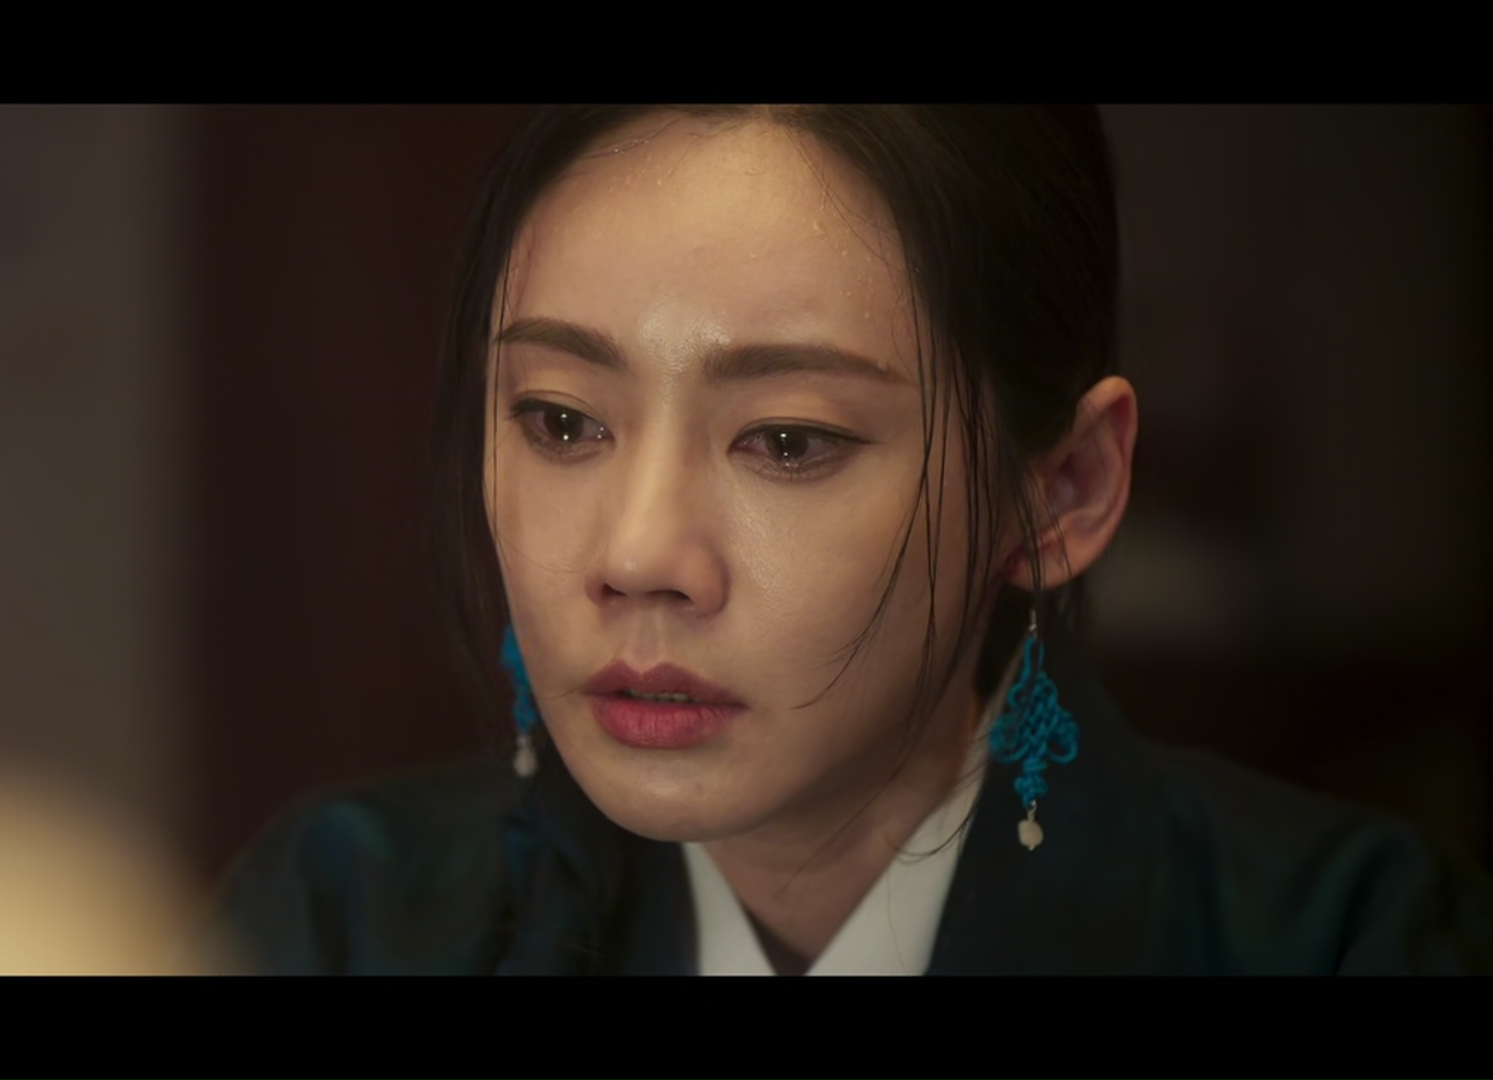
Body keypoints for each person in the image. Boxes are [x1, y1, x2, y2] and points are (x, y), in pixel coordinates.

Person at [210, 106, 1493, 974]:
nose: (638, 553)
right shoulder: (341, 920)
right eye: (560, 420)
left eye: (787, 440)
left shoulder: (1354, 937)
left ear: (1063, 490)